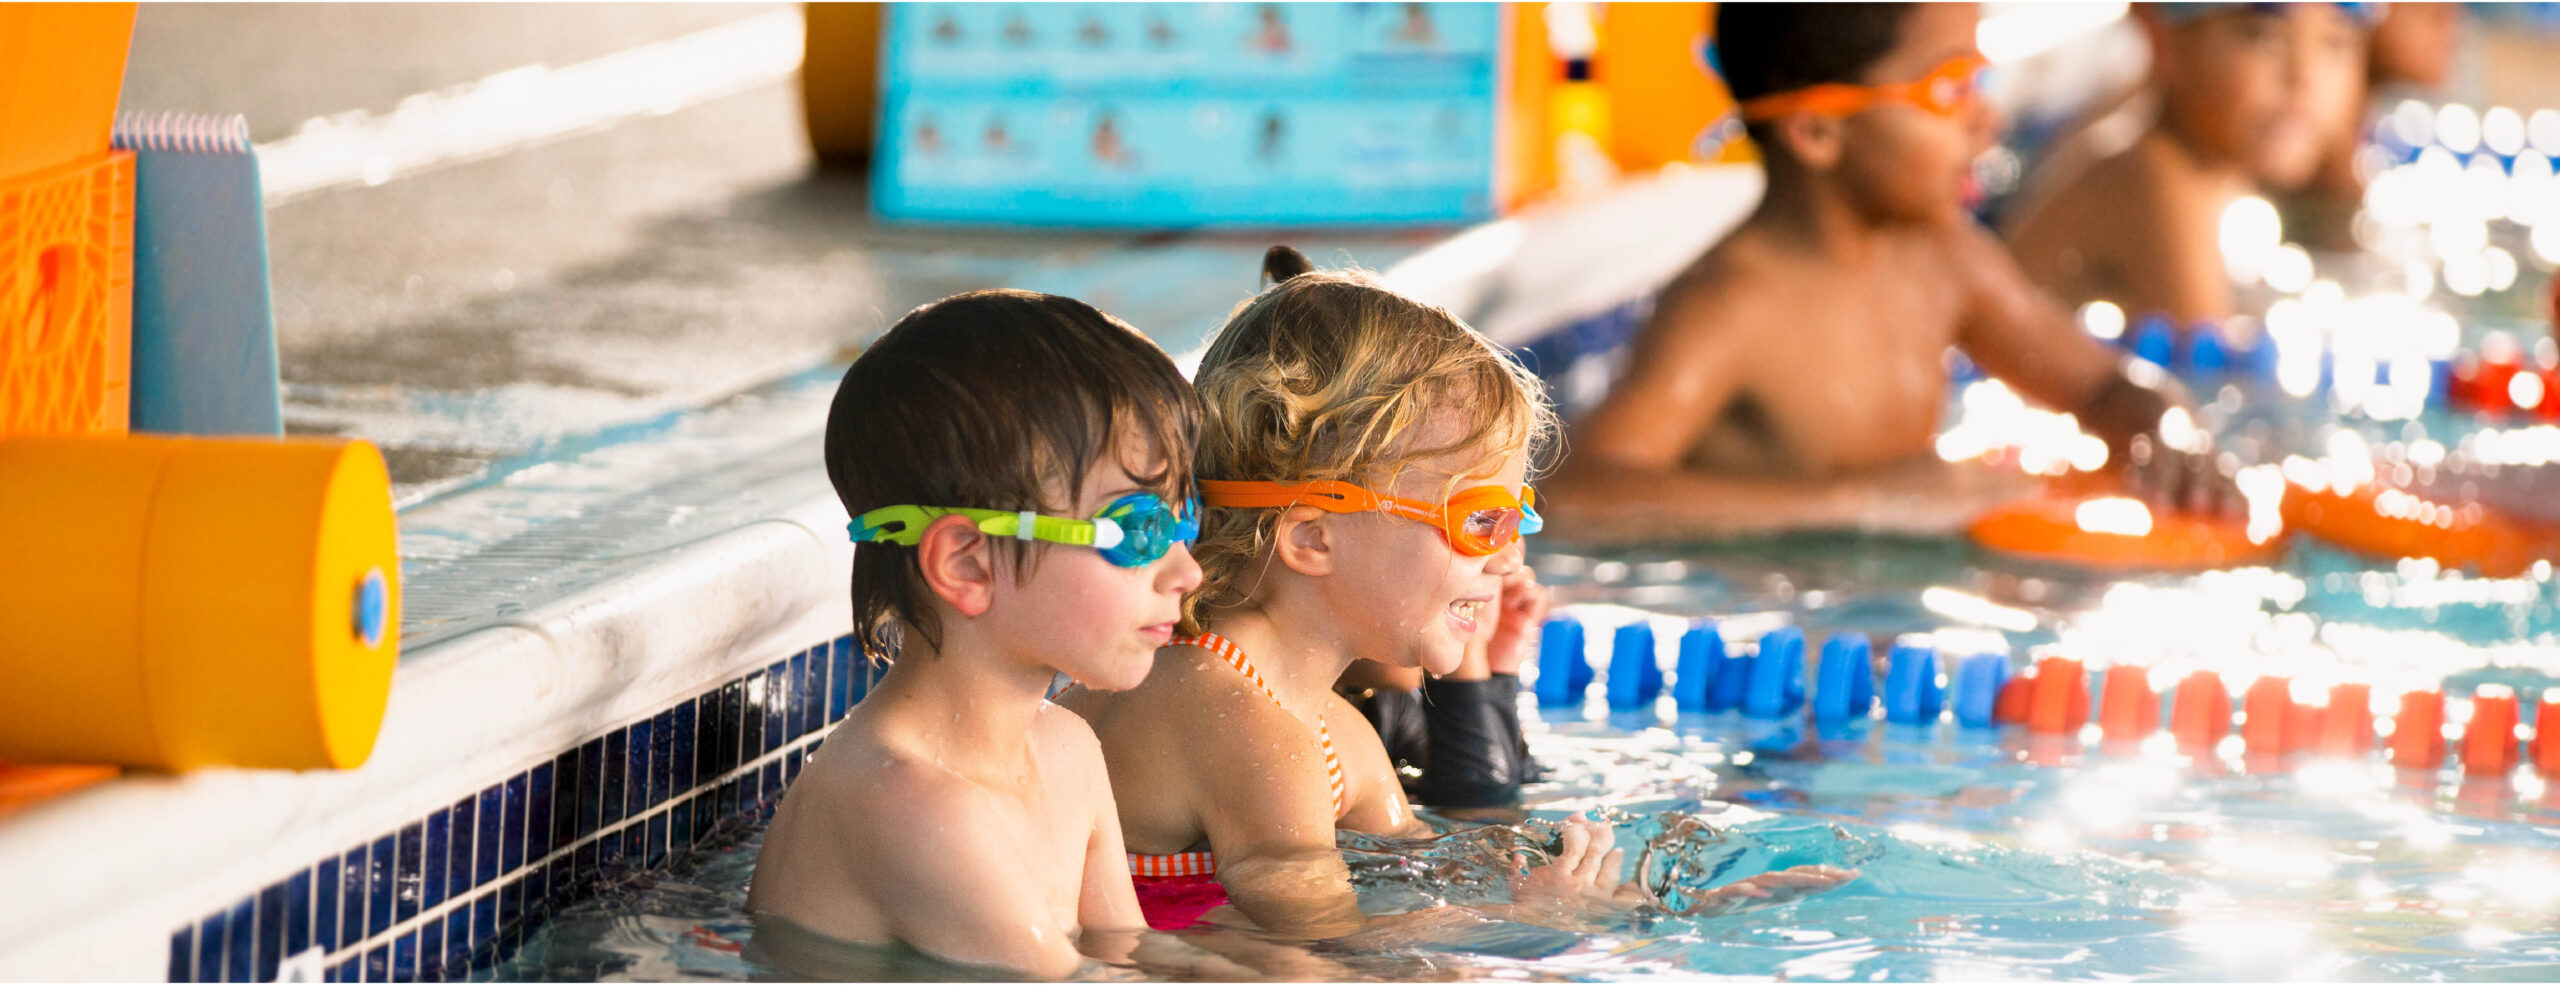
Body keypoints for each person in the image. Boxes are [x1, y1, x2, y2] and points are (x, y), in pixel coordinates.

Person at [1064, 248, 1858, 938]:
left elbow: (1440, 875)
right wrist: (1541, 922)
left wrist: (1648, 903)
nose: (1511, 557)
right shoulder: (1238, 723)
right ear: (1312, 537)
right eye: (1481, 520)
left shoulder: (1332, 729)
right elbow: (1329, 949)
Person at [1545, 3, 2228, 544]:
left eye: (1980, 82)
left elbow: (2101, 382)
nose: (1986, 118)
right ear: (1817, 131)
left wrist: (2165, 434)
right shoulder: (1732, 303)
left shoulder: (1947, 261)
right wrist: (1858, 502)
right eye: (1950, 89)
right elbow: (1581, 495)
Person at [746, 290, 1227, 978]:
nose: (1188, 570)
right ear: (967, 562)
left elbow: (1134, 952)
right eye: (1140, 529)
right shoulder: (909, 806)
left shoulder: (1068, 748)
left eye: (1184, 522)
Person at [2005, 3, 2369, 320]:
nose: (2304, 80)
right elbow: (2215, 370)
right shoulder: (2153, 178)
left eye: (2334, 44)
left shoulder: (2208, 157)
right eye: (2263, 38)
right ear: (2162, 38)